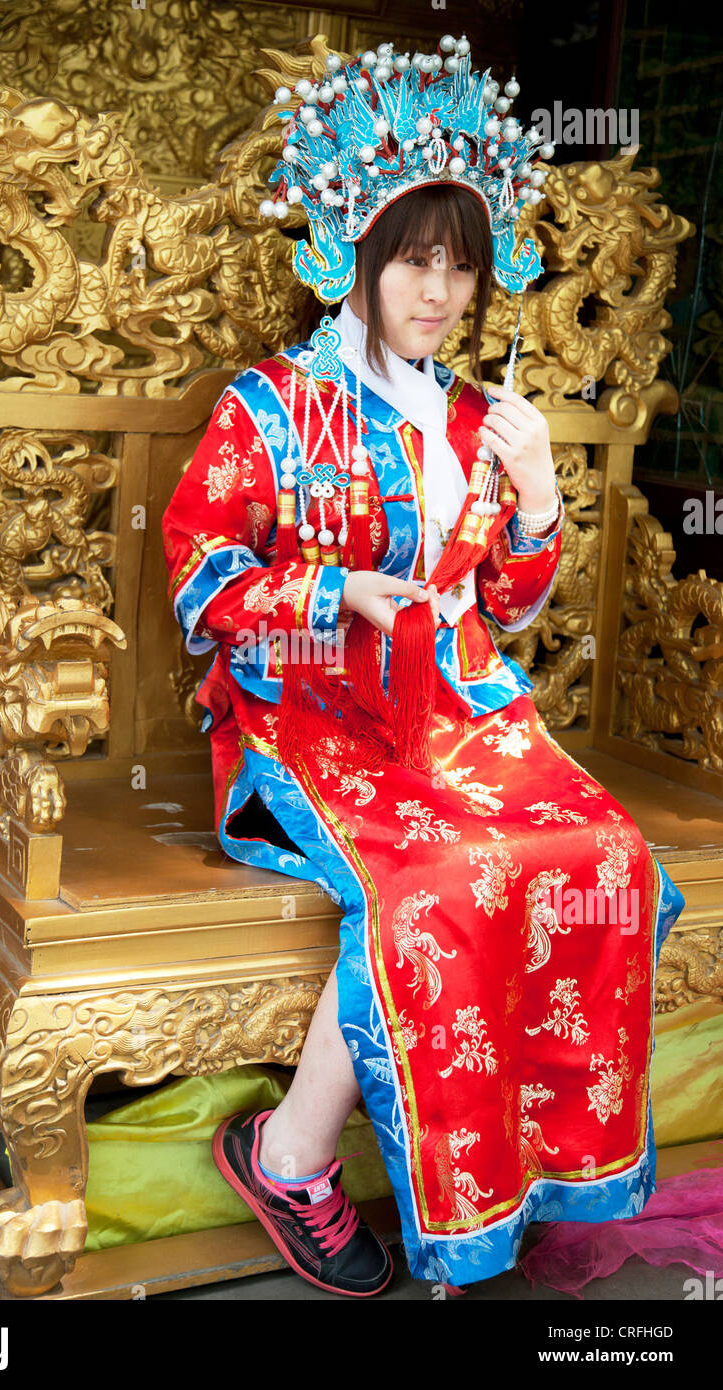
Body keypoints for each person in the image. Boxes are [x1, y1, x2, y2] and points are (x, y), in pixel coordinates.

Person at [162, 35, 686, 1298]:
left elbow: (497, 601)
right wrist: (331, 589)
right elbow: (197, 576)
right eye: (413, 260)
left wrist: (538, 488)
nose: (437, 292)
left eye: (458, 265)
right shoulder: (272, 405)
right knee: (435, 881)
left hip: (461, 713)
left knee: (605, 859)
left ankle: (521, 1170)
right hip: (310, 714)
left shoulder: (469, 417)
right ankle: (289, 1154)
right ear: (359, 258)